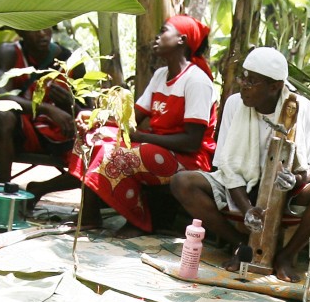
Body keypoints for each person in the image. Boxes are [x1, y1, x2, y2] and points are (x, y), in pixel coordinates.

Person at [170, 47, 310, 282]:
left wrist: (295, 180)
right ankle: (241, 246)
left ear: (274, 87)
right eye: (243, 77)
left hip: (287, 188)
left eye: (252, 81)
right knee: (182, 182)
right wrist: (246, 208)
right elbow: (226, 165)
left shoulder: (302, 109)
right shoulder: (233, 104)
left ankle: (285, 256)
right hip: (241, 184)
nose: (244, 85)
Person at [34, 15, 218, 227]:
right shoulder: (160, 75)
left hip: (189, 160)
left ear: (181, 40)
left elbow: (192, 142)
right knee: (93, 137)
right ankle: (90, 214)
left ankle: (138, 221)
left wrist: (141, 136)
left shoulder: (196, 81)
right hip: (158, 147)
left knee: (121, 154)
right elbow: (131, 118)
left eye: (164, 31)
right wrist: (95, 118)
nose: (156, 37)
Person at [0, 27, 81, 193]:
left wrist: (69, 104)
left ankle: (40, 189)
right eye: (35, 28)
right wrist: (47, 109)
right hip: (23, 130)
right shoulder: (10, 52)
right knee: (3, 116)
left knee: (95, 152)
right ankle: (5, 194)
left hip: (59, 131)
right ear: (21, 32)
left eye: (46, 27)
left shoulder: (70, 61)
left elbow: (86, 111)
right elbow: (0, 96)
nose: (42, 33)